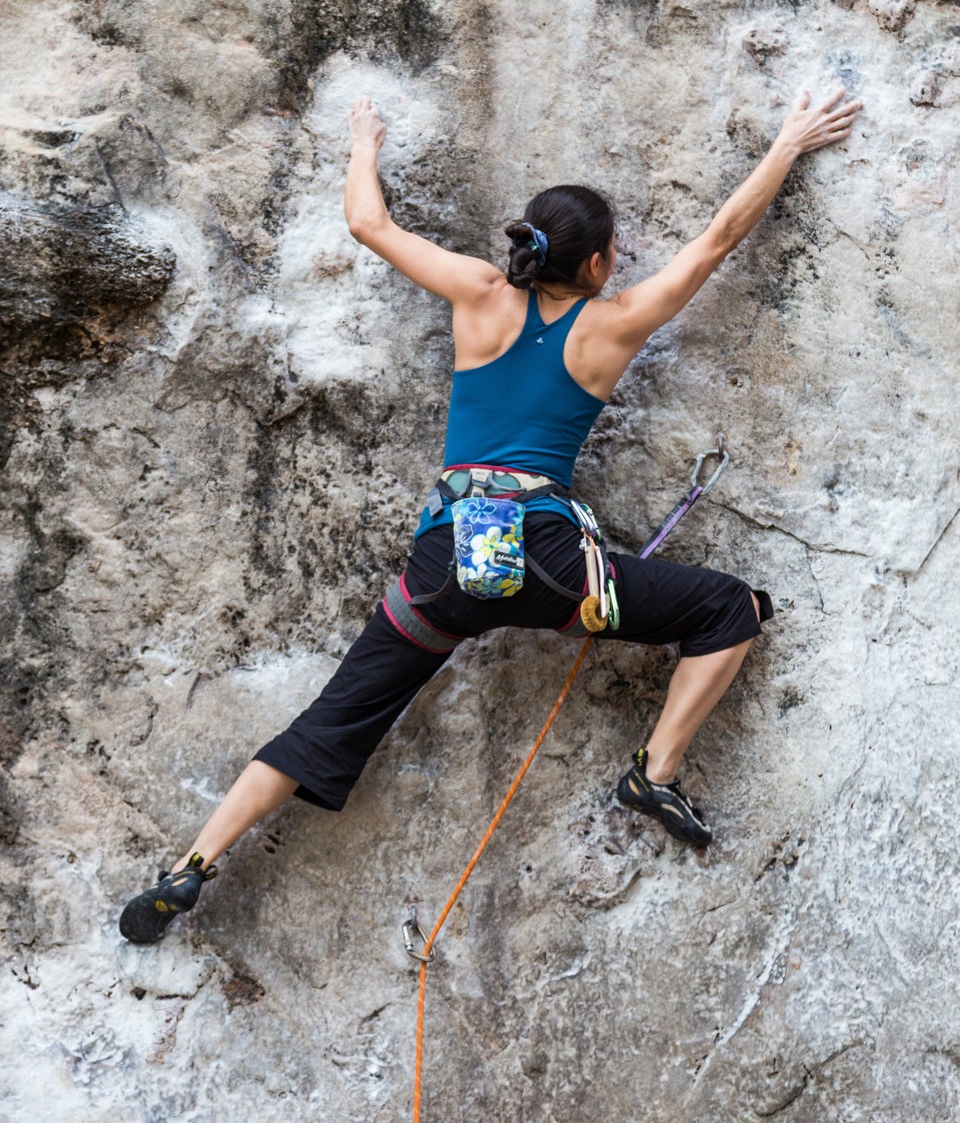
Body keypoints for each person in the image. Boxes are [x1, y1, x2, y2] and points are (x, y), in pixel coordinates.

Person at [119, 85, 862, 943]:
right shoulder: (610, 326)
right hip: (550, 566)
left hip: (448, 565)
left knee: (325, 723)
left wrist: (364, 140)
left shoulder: (476, 292)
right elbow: (719, 240)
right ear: (594, 265)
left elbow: (368, 224)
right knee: (730, 609)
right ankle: (653, 771)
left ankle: (192, 866)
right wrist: (789, 143)